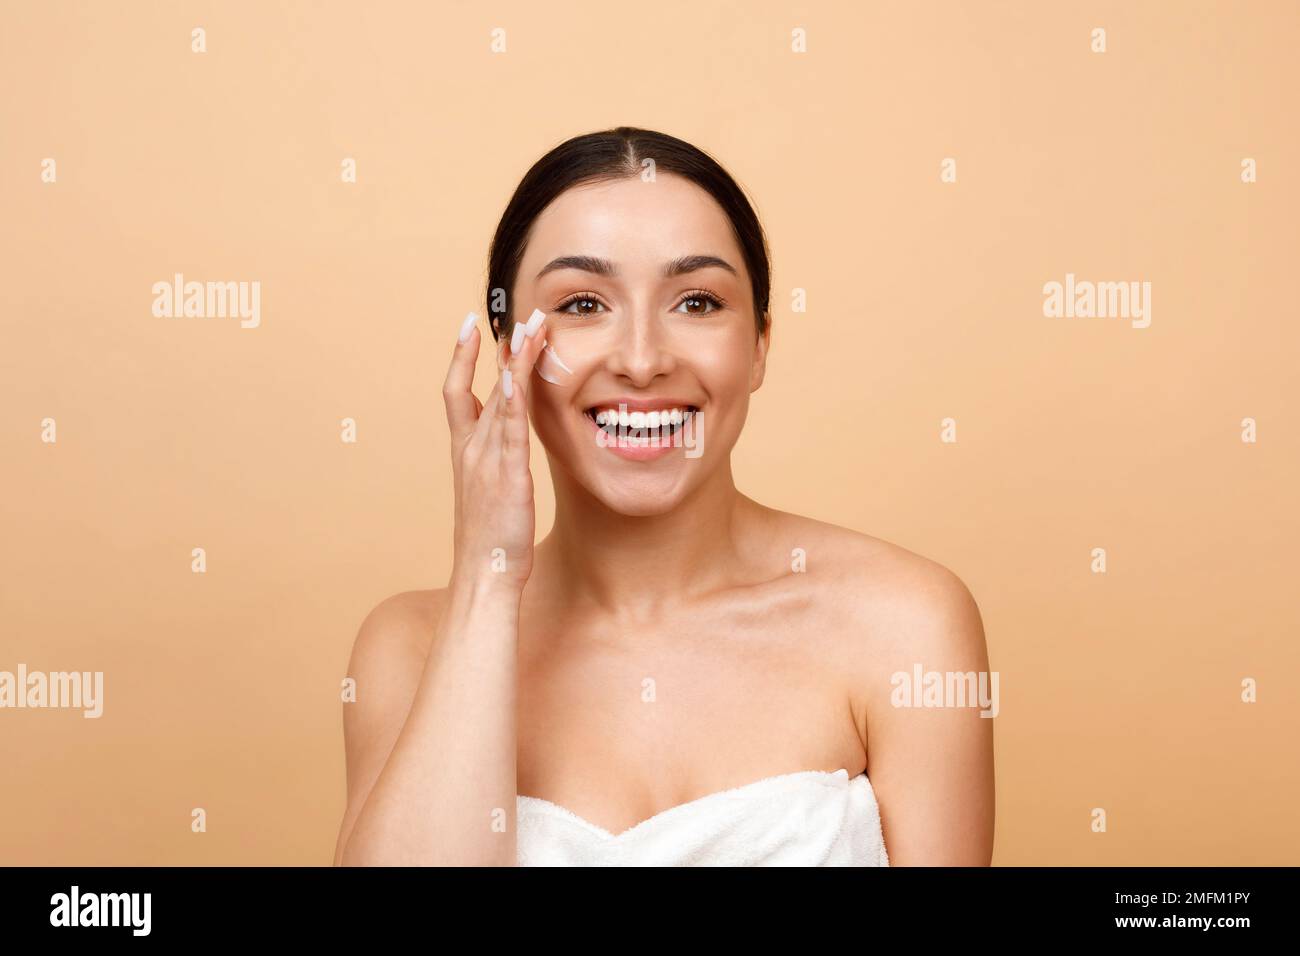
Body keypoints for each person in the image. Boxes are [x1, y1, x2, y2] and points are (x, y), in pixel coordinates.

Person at [333, 127, 994, 866]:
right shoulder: (409, 647)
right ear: (505, 346)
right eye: (583, 304)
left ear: (760, 346)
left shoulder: (905, 624)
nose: (642, 361)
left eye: (698, 301)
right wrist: (488, 581)